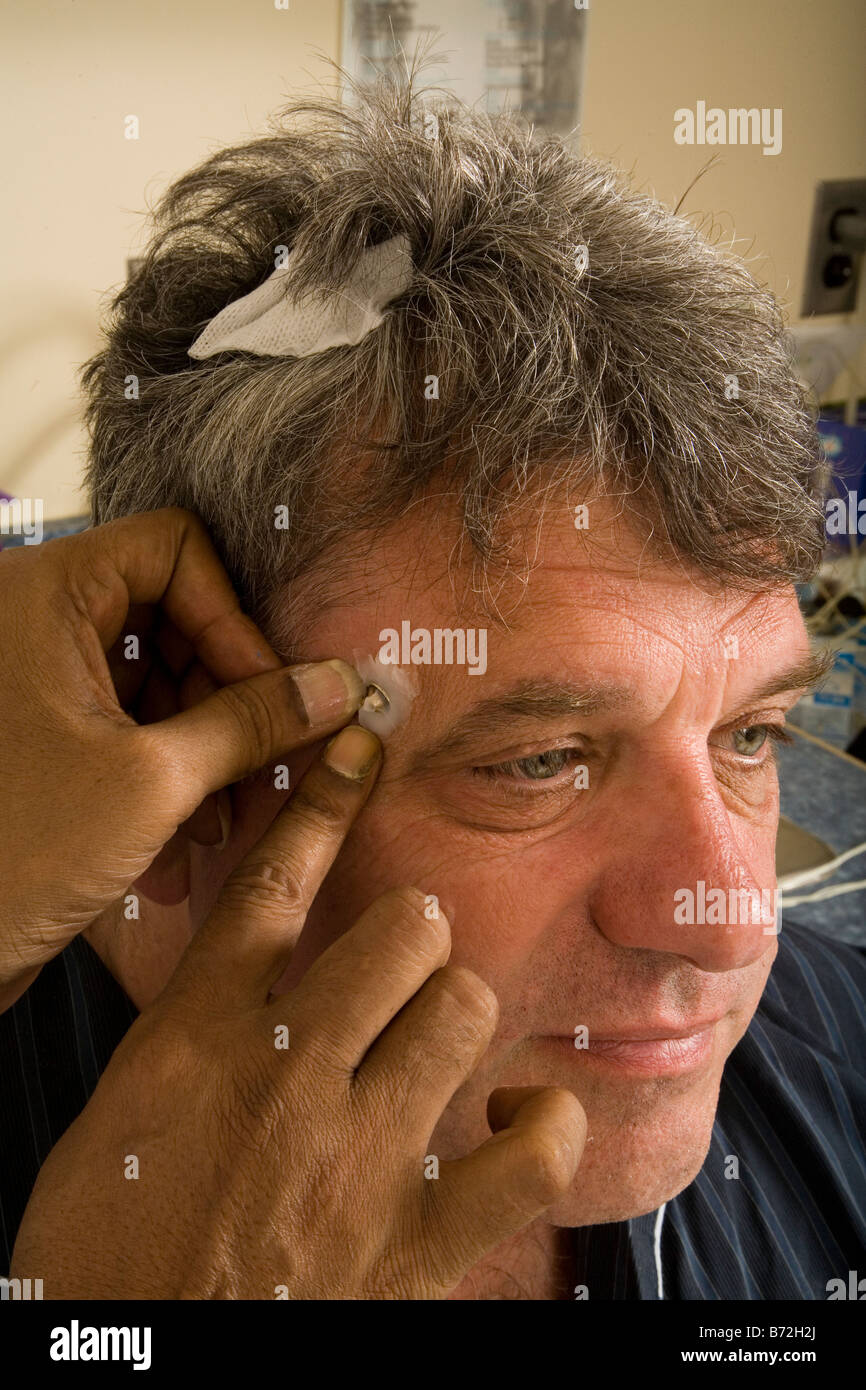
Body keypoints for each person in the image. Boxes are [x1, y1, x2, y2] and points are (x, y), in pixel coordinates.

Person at [3, 58, 865, 1299]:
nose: (733, 921)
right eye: (538, 761)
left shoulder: (838, 1054)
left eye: (750, 733)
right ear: (179, 742)